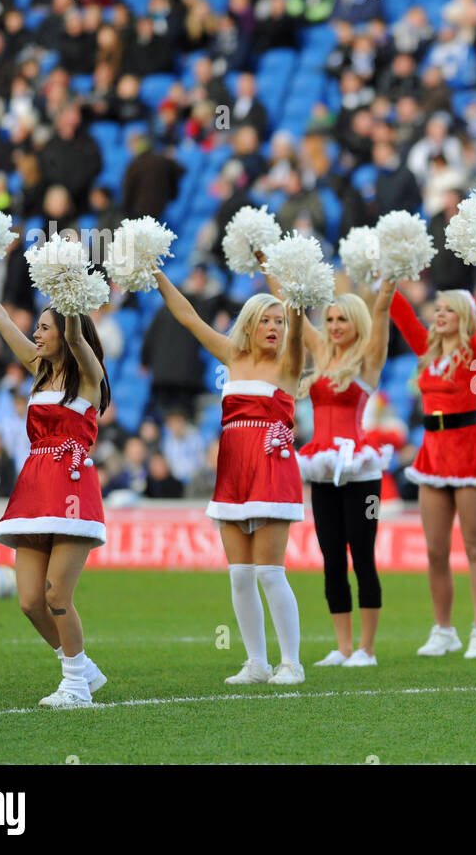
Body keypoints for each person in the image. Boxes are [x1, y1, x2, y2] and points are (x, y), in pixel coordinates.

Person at [0, 269, 111, 708]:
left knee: (56, 594)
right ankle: (83, 669)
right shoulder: (37, 368)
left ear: (64, 332)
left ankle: (75, 686)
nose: (36, 332)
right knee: (30, 600)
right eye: (39, 326)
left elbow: (79, 340)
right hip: (33, 486)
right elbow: (1, 318)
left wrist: (67, 298)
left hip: (71, 486)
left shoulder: (87, 373)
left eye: (45, 327)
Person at [154, 268, 306, 685]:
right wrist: (158, 274)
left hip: (272, 470)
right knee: (240, 574)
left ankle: (291, 663)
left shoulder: (289, 365)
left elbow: (296, 339)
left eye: (280, 320)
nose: (274, 327)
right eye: (266, 320)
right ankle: (257, 663)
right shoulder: (233, 357)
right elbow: (188, 317)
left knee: (271, 572)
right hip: (233, 473)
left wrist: (294, 298)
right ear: (250, 325)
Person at [390, 279, 476, 659]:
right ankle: (443, 629)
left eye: (449, 309)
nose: (439, 314)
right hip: (432, 454)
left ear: (465, 318)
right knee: (435, 550)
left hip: (469, 451)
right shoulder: (427, 352)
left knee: (475, 547)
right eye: (438, 309)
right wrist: (383, 272)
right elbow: (400, 313)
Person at [293, 287, 397, 667]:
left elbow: (382, 310)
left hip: (362, 474)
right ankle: (344, 647)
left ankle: (367, 649)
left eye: (343, 319)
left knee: (363, 554)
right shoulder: (320, 352)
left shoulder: (368, 359)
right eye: (331, 319)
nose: (334, 326)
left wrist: (391, 278)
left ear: (357, 324)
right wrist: (266, 260)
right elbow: (293, 307)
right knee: (331, 556)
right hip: (322, 471)